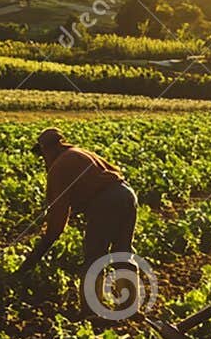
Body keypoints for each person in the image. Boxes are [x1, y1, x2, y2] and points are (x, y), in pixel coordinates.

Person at [16, 128, 140, 316]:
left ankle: (92, 311)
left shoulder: (59, 167)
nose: (44, 160)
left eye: (42, 155)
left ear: (47, 150)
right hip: (126, 195)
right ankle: (130, 307)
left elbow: (58, 213)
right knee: (123, 251)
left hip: (107, 202)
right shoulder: (78, 153)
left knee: (95, 255)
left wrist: (45, 243)